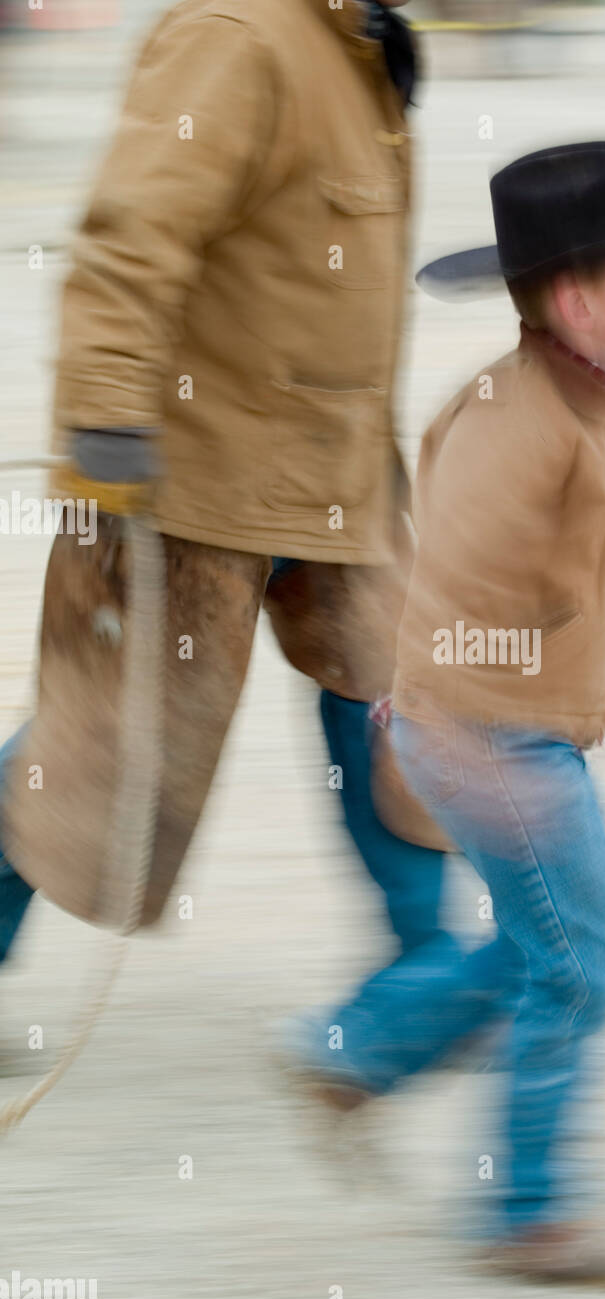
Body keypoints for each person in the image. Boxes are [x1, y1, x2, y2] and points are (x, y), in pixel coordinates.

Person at [277, 140, 605, 1279]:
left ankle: (350, 1048)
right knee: (586, 964)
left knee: (546, 947)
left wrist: (585, 634)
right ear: (577, 295)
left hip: (507, 723)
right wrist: (506, 668)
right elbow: (452, 584)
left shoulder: (590, 387)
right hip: (489, 734)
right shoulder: (518, 420)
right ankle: (523, 1213)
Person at [0, 2, 441, 994]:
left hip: (340, 474)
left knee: (392, 708)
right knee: (103, 756)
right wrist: (108, 421)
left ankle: (429, 967)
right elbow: (130, 238)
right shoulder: (234, 37)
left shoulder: (357, 40)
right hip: (197, 484)